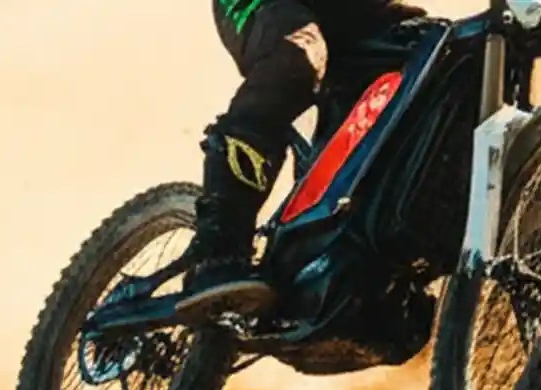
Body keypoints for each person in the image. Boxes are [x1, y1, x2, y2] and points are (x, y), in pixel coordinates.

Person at [174, 0, 427, 322]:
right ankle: (218, 247)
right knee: (296, 54)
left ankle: (359, 267)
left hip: (362, 14)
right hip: (266, 6)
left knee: (437, 66)